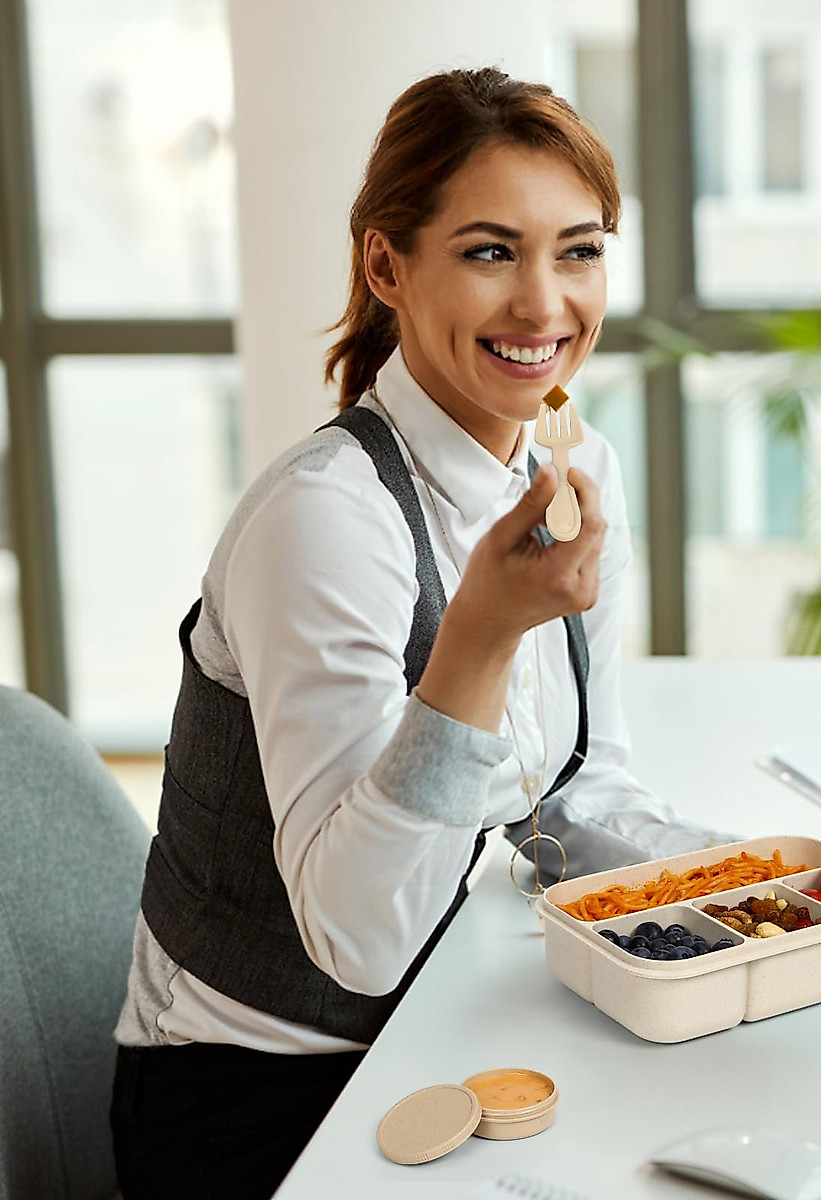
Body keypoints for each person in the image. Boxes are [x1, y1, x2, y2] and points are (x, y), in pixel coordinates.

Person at [109, 66, 731, 1200]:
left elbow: (577, 798)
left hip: (446, 1030)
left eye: (579, 249)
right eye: (492, 251)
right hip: (263, 1102)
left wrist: (749, 895)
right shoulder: (324, 520)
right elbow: (360, 942)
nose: (546, 305)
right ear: (387, 264)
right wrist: (483, 637)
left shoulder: (578, 470)